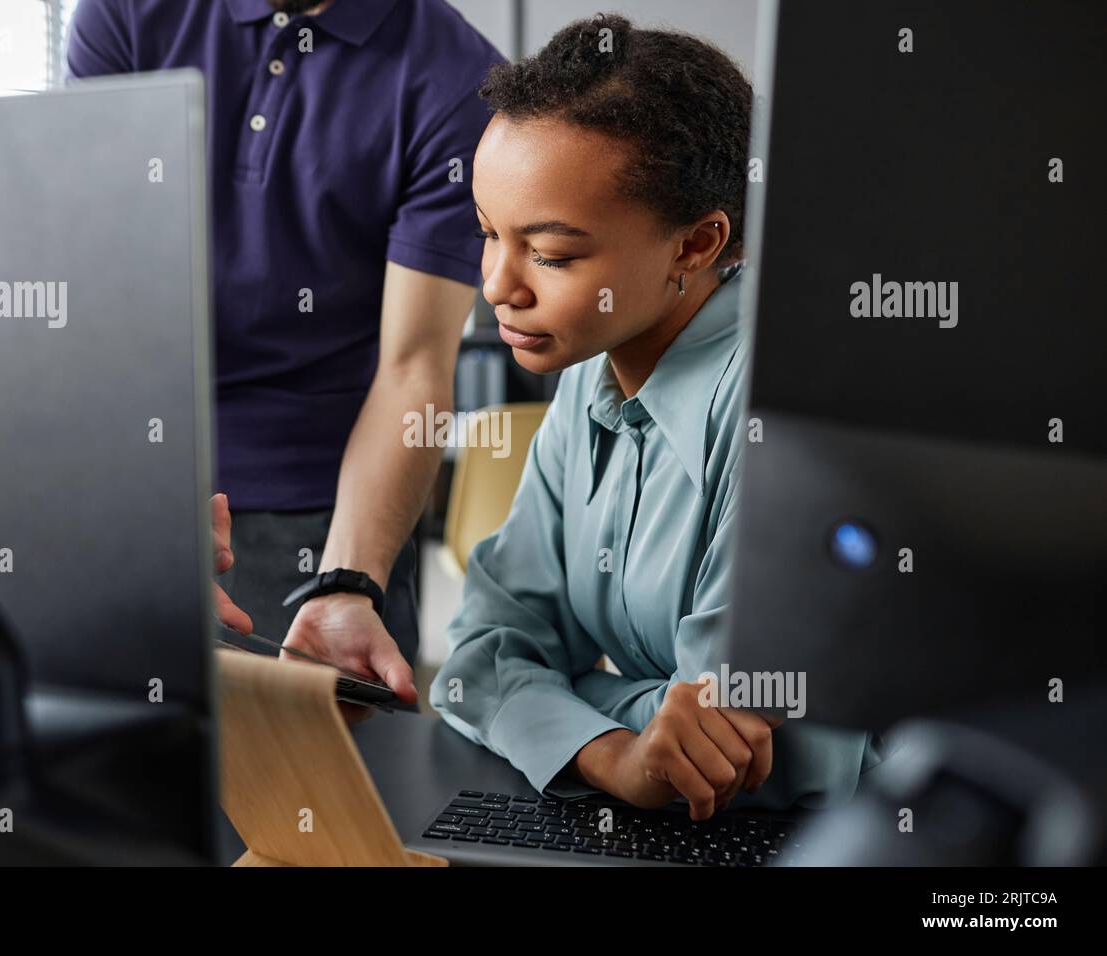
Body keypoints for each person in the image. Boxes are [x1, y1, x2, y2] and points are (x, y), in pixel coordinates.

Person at [431, 14, 881, 819]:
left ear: (697, 244)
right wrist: (614, 751)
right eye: (488, 233)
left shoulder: (776, 404)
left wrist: (570, 702)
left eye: (552, 254)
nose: (498, 285)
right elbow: (482, 655)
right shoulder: (592, 370)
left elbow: (727, 756)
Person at [66, 0, 503, 713]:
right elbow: (98, 287)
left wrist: (348, 584)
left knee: (311, 811)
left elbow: (413, 366)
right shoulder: (124, 15)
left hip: (321, 513)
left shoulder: (458, 80)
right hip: (130, 464)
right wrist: (139, 501)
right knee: (107, 791)